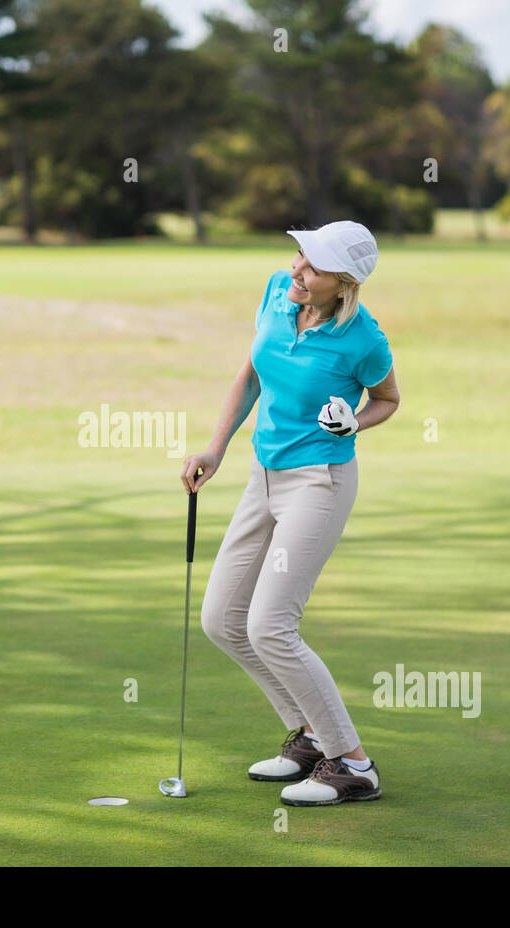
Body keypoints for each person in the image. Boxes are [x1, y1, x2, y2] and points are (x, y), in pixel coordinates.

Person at [180, 220, 400, 806]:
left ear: (345, 282)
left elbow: (387, 400)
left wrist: (355, 420)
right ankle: (308, 738)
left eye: (314, 267)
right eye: (299, 255)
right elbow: (251, 373)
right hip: (263, 476)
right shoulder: (279, 291)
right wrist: (214, 448)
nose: (298, 269)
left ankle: (353, 764)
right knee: (222, 620)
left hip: (318, 483)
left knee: (269, 625)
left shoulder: (363, 339)